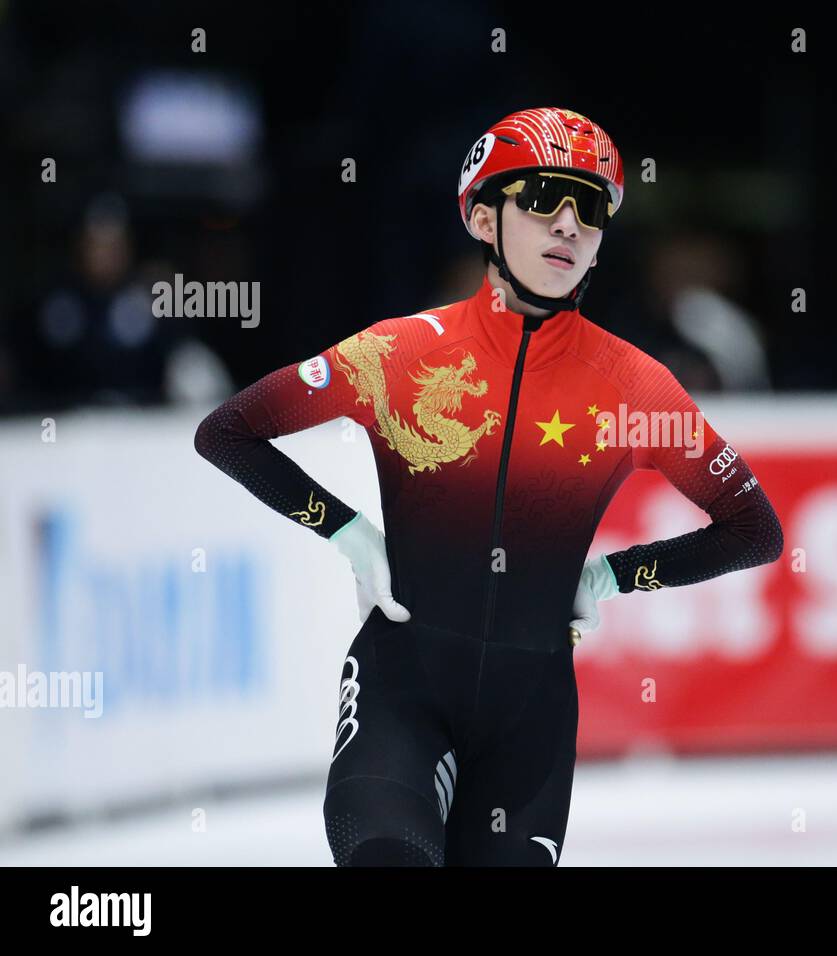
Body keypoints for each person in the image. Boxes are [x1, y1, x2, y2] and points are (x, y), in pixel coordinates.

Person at [193, 107, 784, 866]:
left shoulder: (638, 390)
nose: (568, 225)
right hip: (399, 699)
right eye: (542, 197)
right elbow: (229, 433)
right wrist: (342, 529)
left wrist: (612, 574)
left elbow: (754, 530)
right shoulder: (396, 355)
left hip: (528, 722)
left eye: (591, 207)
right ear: (480, 215)